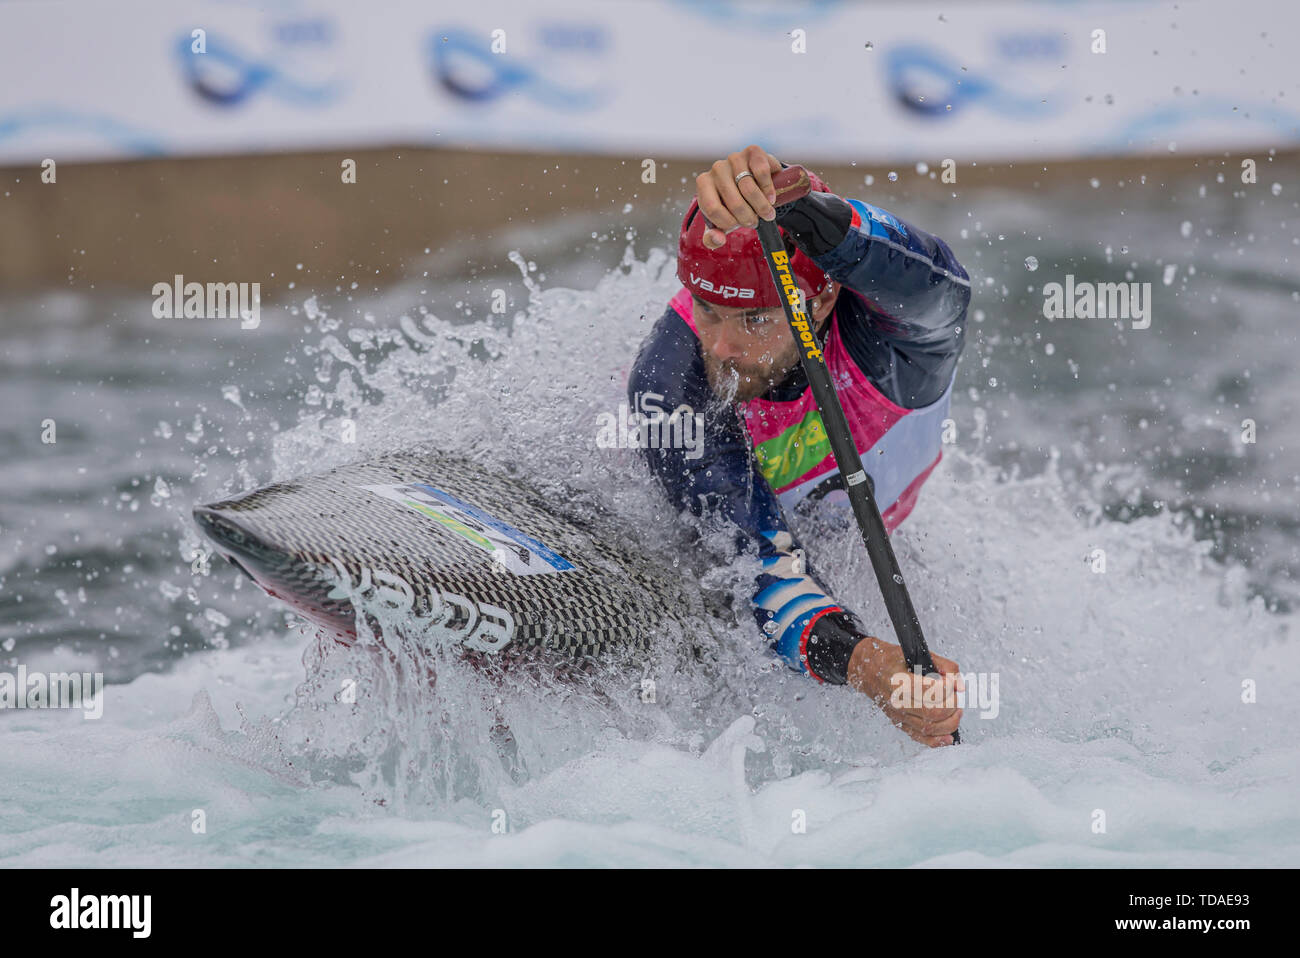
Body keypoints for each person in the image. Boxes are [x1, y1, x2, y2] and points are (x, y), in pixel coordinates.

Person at [628, 145, 969, 747]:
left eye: (755, 321)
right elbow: (755, 568)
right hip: (748, 536)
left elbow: (942, 288)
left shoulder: (893, 351)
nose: (724, 349)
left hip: (876, 534)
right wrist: (869, 667)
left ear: (824, 299)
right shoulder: (671, 385)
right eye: (708, 313)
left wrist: (827, 220)